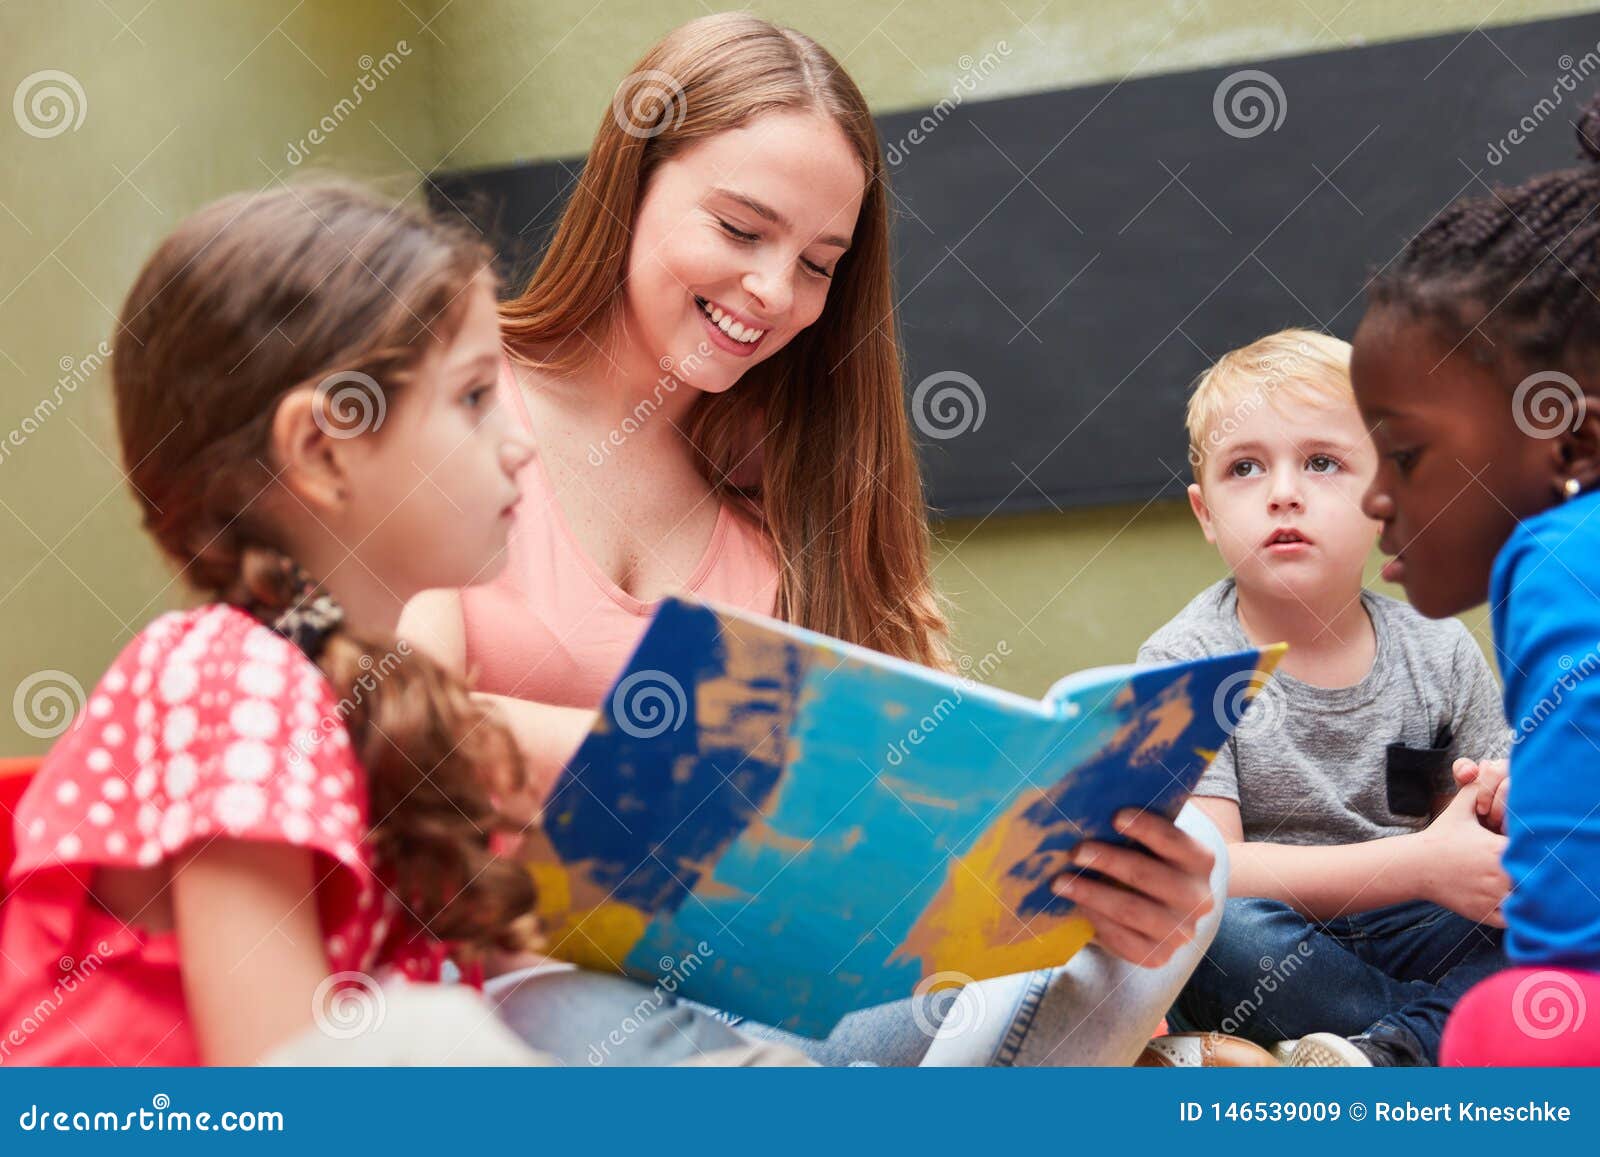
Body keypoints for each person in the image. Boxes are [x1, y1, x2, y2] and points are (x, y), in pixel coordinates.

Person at [401, 12, 1225, 1065]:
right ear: (629, 182)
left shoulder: (781, 503)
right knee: (590, 1021)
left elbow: (874, 849)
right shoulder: (459, 405)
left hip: (759, 986)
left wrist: (1083, 886)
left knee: (1177, 864)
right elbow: (374, 731)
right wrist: (716, 753)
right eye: (741, 230)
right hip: (511, 978)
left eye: (818, 263)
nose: (774, 293)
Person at [1142, 329, 1510, 1066]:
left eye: (1321, 462)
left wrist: (1500, 803)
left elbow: (1476, 847)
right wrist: (1420, 865)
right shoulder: (1186, 662)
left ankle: (1362, 1057)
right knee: (1216, 923)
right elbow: (1211, 868)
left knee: (1551, 909)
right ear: (1206, 513)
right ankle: (1419, 1045)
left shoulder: (1439, 650)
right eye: (1244, 467)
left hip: (1418, 927)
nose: (1283, 490)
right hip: (1272, 946)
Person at [1348, 98, 1600, 1066]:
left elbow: (1570, 954)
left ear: (1569, 437)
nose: (1377, 496)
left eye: (1402, 454)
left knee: (1510, 1020)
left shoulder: (1561, 557)